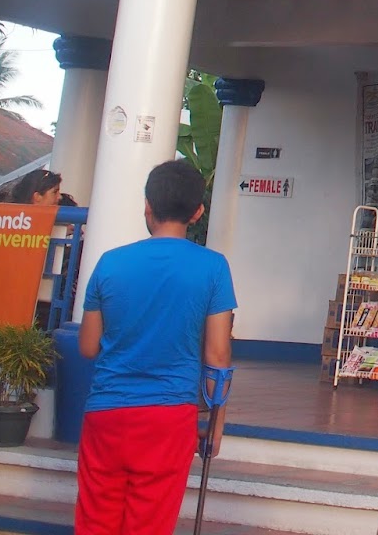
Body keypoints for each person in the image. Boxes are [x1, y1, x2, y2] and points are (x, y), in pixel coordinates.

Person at [76, 160, 236, 535]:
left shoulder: (110, 263)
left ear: (147, 205)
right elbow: (217, 356)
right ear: (198, 212)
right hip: (169, 417)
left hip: (106, 413)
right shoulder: (213, 267)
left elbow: (87, 346)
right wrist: (216, 423)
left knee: (96, 521)